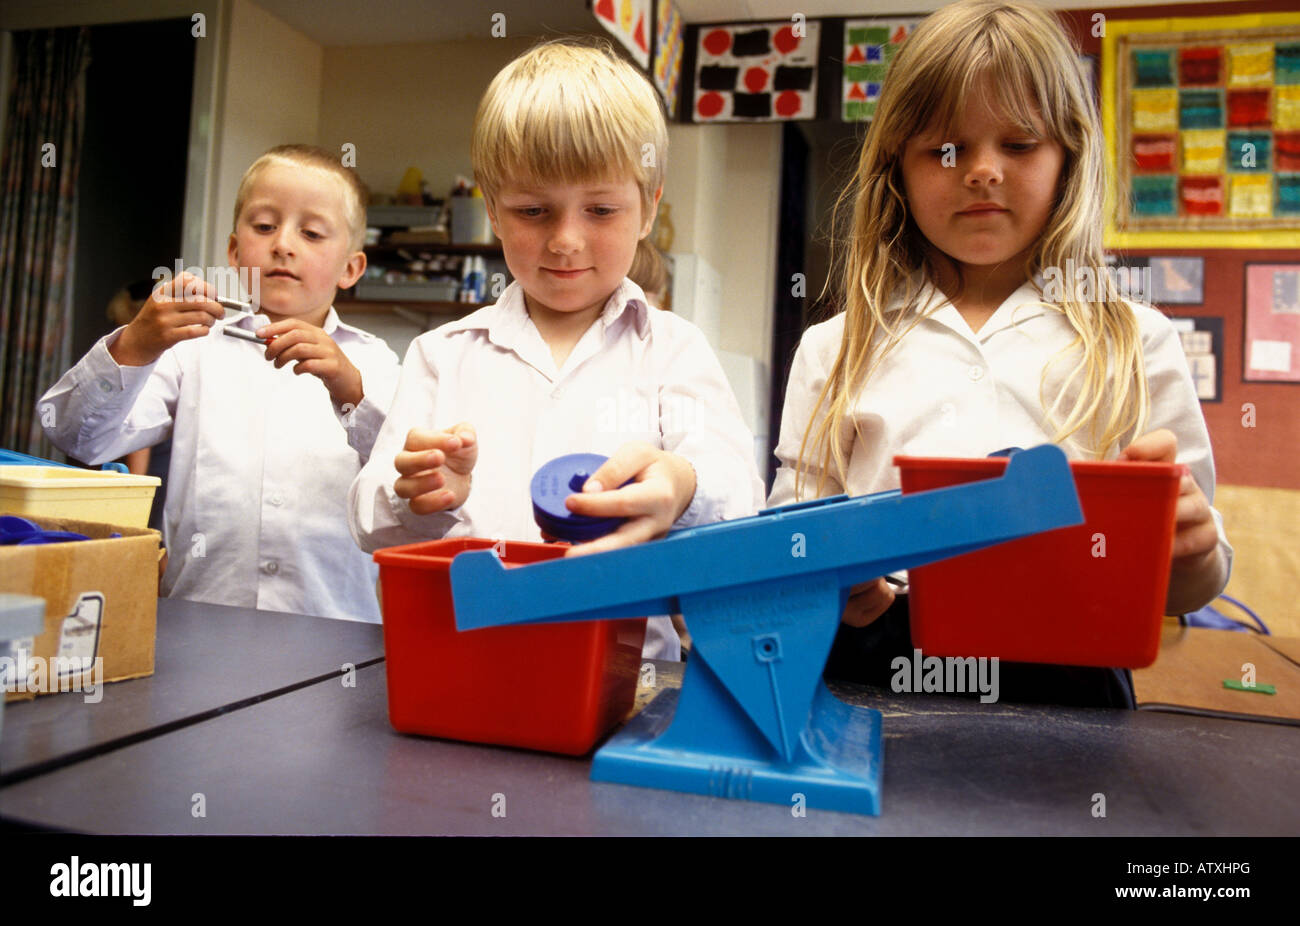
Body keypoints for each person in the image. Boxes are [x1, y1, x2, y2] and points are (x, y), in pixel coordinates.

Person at [769, 0, 1232, 706]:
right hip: (873, 680)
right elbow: (787, 546)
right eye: (946, 149)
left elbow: (1192, 582)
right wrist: (821, 572)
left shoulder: (1138, 342)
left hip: (1073, 686)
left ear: (1067, 156)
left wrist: (1191, 552)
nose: (982, 171)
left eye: (1018, 145)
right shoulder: (831, 348)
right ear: (898, 165)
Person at [349, 40, 764, 659]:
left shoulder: (674, 349)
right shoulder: (443, 353)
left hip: (629, 676)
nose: (566, 240)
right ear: (493, 210)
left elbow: (739, 500)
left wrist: (685, 482)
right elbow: (368, 518)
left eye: (600, 209)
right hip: (467, 659)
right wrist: (422, 496)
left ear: (648, 209)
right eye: (533, 210)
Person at [40, 145, 400, 622]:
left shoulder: (376, 363)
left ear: (351, 268)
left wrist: (351, 389)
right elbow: (75, 436)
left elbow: (404, 485)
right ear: (234, 251)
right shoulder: (190, 349)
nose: (283, 245)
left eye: (311, 233)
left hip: (333, 635)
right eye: (265, 226)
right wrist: (135, 346)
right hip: (196, 627)